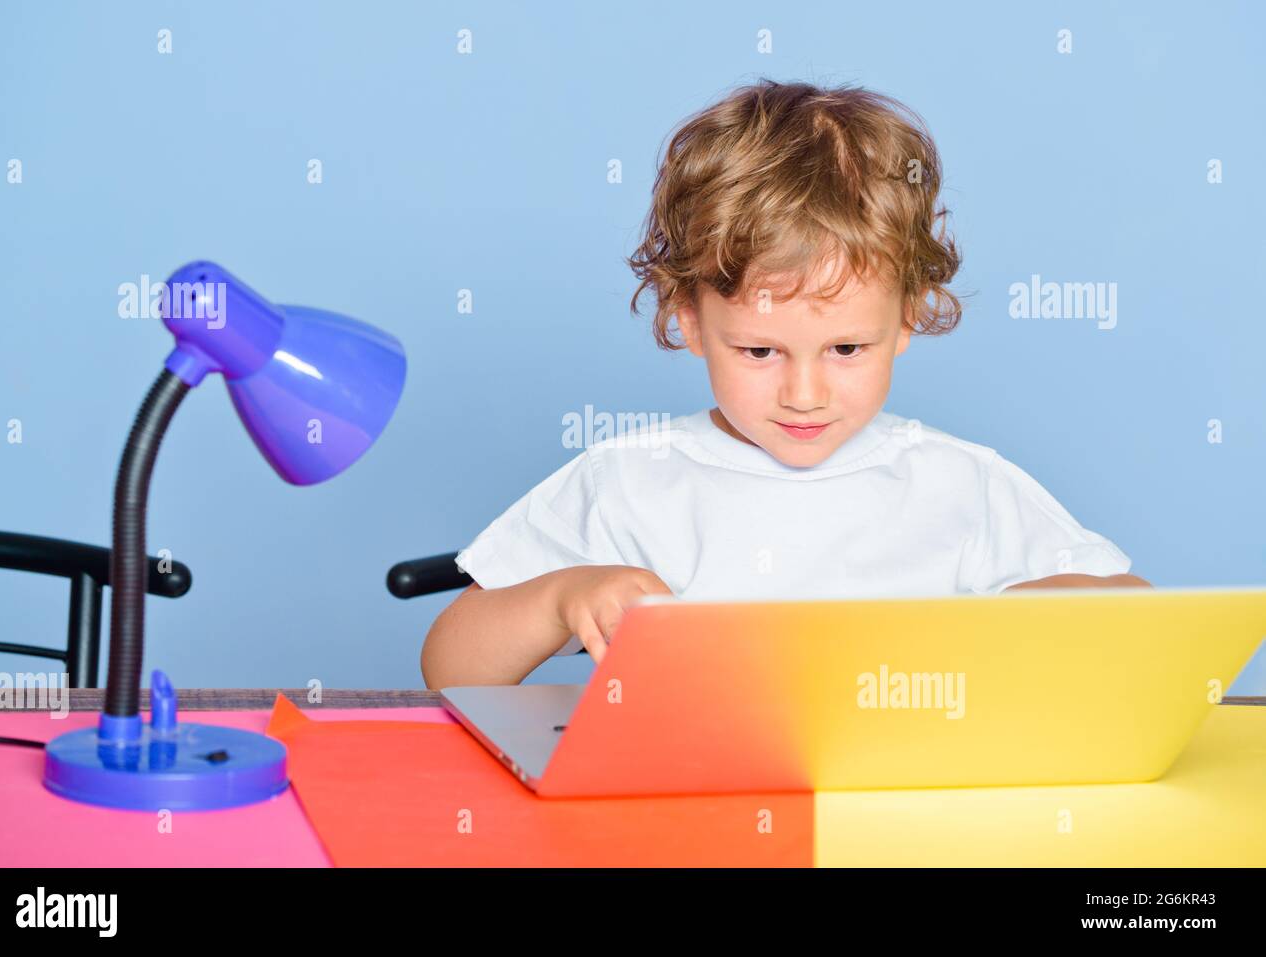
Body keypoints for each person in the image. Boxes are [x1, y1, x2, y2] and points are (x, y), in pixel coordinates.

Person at [422, 79, 1149, 689]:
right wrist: (560, 598)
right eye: (761, 350)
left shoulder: (962, 485)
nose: (806, 393)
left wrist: (1060, 603)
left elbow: (1139, 611)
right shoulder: (630, 483)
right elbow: (450, 669)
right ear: (691, 322)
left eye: (846, 347)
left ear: (908, 318)